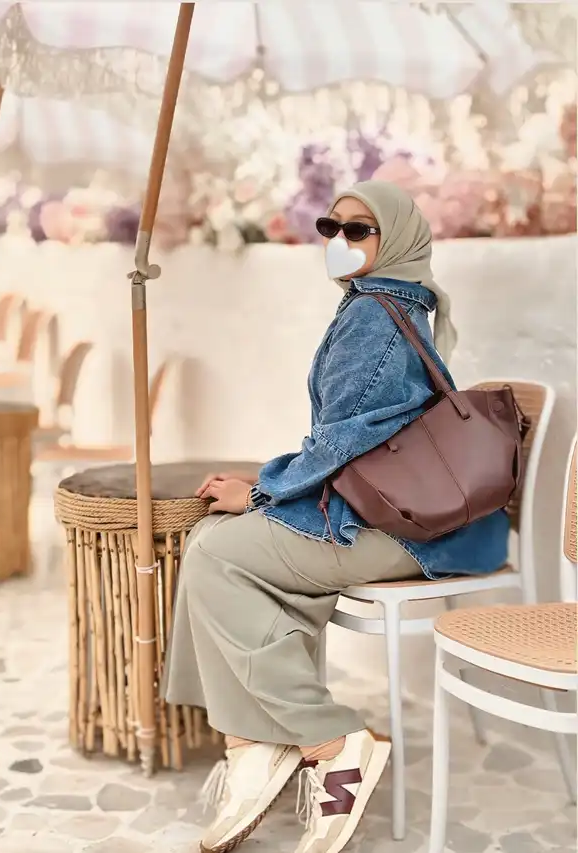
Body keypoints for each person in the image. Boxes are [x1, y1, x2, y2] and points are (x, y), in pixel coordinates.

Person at [162, 180, 510, 853]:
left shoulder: (376, 314)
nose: (338, 241)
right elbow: (358, 439)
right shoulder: (396, 305)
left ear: (396, 239)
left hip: (404, 531)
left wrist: (260, 492)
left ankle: (326, 739)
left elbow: (339, 442)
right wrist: (266, 491)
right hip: (401, 517)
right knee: (216, 539)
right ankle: (253, 745)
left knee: (213, 550)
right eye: (331, 227)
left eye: (357, 230)